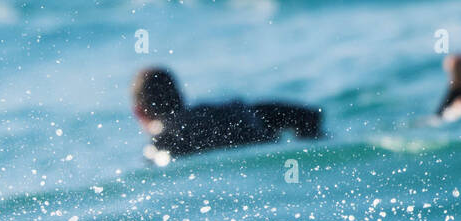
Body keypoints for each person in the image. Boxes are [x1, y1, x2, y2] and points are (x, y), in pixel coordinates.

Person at [131, 67, 322, 163]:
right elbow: (309, 116)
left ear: (139, 111)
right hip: (266, 146)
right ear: (181, 97)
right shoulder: (228, 110)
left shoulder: (160, 142)